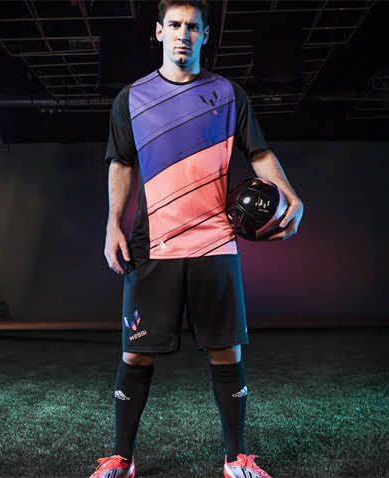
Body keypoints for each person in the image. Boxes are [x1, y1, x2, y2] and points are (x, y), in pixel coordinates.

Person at [93, 1, 303, 477]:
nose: (183, 34)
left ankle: (235, 459)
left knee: (227, 350)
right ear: (159, 32)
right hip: (154, 243)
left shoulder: (229, 94)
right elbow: (120, 163)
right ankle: (121, 458)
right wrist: (111, 224)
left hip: (215, 240)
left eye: (192, 26)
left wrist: (290, 193)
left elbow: (259, 153)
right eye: (174, 25)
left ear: (206, 34)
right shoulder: (131, 98)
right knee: (135, 351)